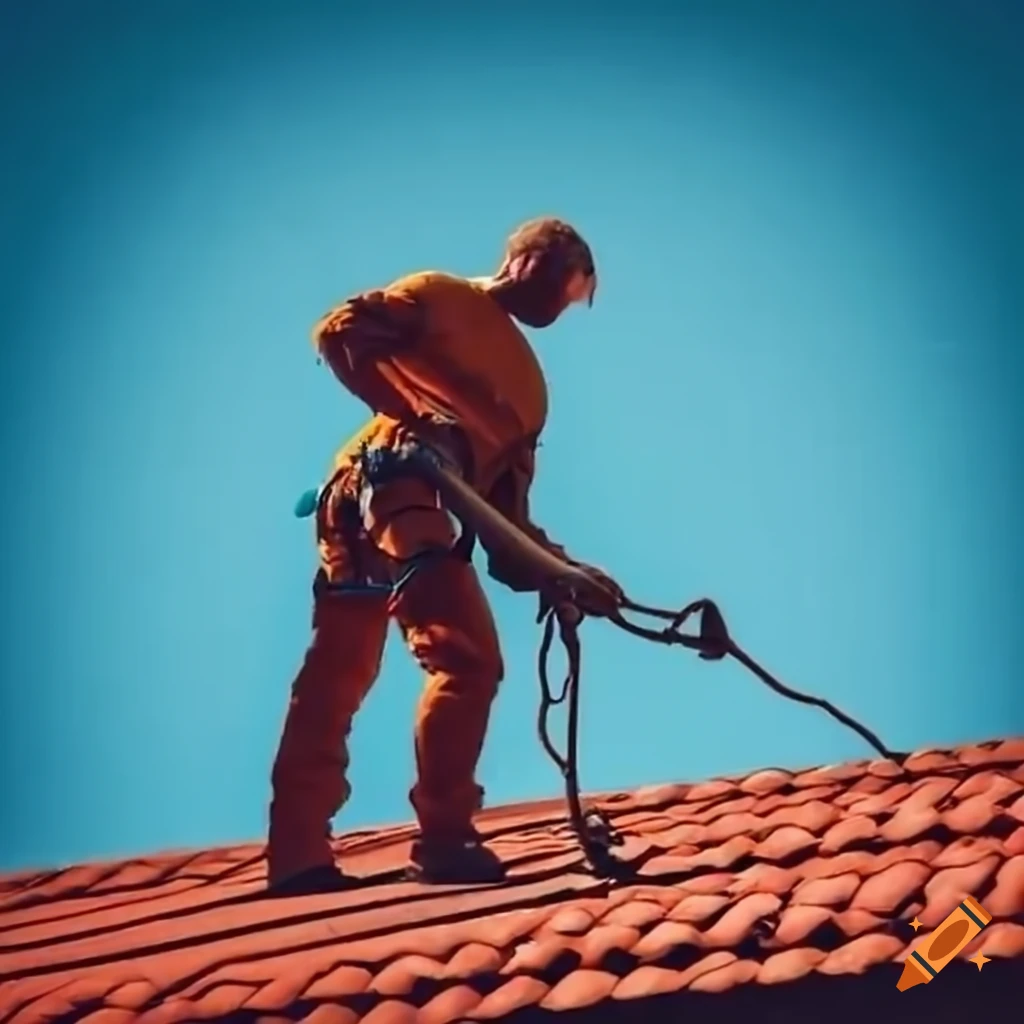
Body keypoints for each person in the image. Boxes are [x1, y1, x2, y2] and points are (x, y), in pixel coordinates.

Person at [266, 217, 624, 895]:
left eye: (574, 294)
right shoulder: (441, 295)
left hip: (412, 503)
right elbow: (341, 333)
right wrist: (412, 413)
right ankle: (438, 839)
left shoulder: (530, 398)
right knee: (454, 657)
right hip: (387, 485)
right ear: (522, 262)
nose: (562, 302)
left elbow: (507, 533)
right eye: (560, 280)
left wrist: (568, 574)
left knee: (348, 669)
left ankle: (303, 856)